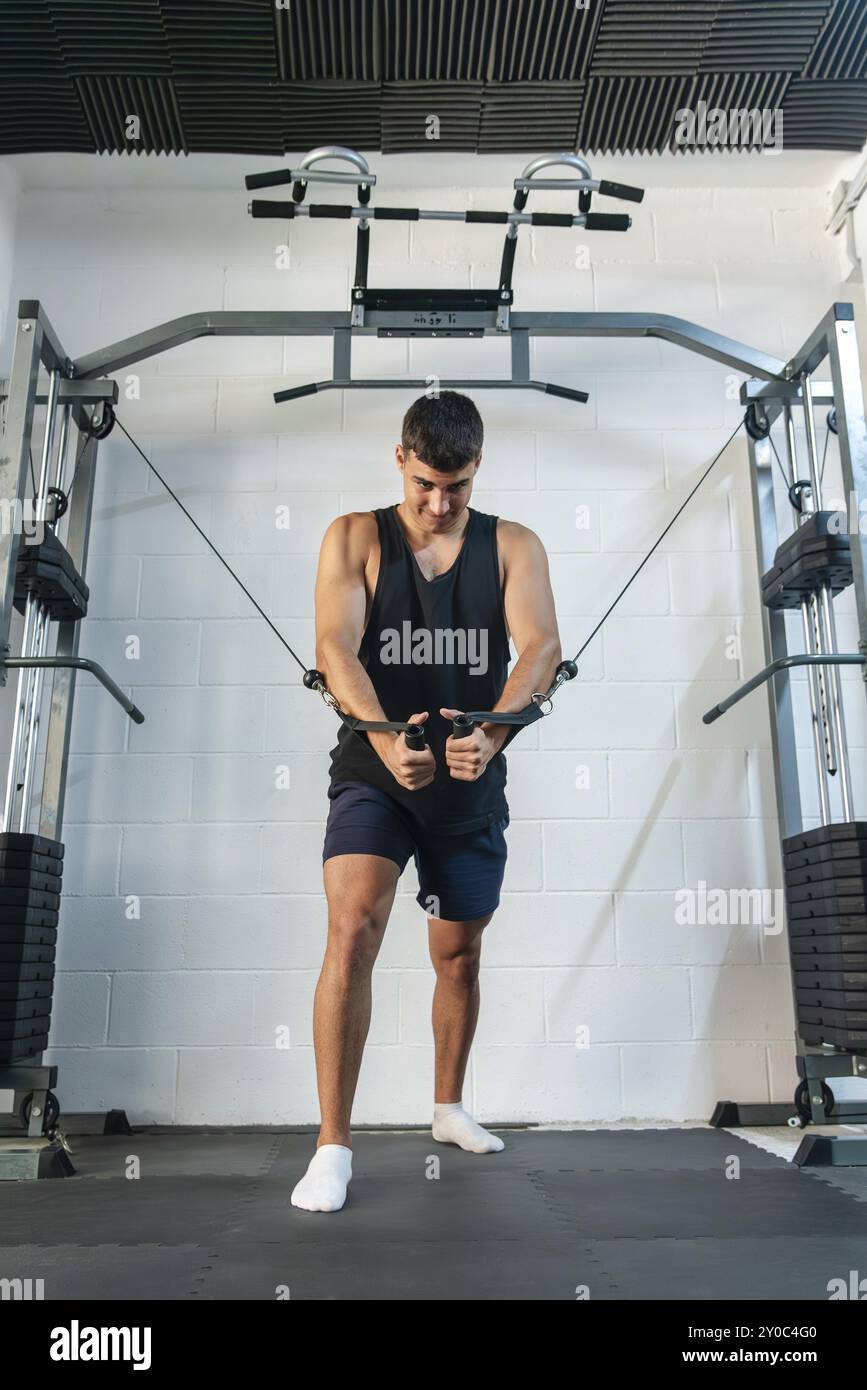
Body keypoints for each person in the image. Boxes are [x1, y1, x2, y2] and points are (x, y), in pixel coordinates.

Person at [291, 391, 561, 1212]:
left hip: (471, 776)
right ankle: (332, 1146)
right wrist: (381, 740)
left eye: (457, 489)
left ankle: (446, 1108)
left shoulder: (512, 545)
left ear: (475, 471)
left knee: (459, 955)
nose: (439, 506)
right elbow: (334, 648)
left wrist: (496, 735)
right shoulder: (354, 536)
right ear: (399, 460)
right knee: (353, 928)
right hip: (376, 773)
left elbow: (541, 646)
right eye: (424, 487)